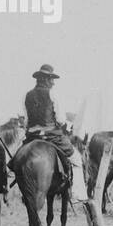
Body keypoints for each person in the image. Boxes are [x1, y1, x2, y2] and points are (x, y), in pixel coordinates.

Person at [20, 64, 88, 201]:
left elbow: (26, 120)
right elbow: (61, 119)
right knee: (77, 159)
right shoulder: (53, 94)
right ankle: (77, 196)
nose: (53, 82)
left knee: (18, 157)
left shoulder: (27, 95)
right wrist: (61, 125)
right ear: (45, 79)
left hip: (32, 135)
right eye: (51, 79)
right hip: (51, 135)